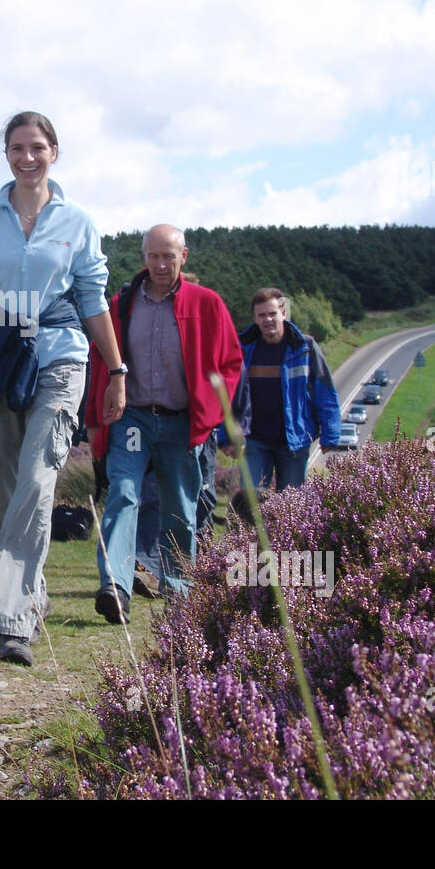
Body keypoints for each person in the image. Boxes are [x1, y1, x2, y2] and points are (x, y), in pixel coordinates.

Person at [0, 111, 126, 666]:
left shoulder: (78, 221)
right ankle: (32, 593)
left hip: (60, 358)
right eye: (16, 147)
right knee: (3, 491)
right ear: (5, 153)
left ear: (54, 151)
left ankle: (12, 624)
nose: (26, 157)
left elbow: (93, 300)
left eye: (37, 146)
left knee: (38, 480)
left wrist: (118, 370)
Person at [87, 225, 243, 621]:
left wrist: (206, 415)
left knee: (179, 509)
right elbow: (99, 361)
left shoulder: (207, 304)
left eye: (168, 256)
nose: (160, 264)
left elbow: (229, 363)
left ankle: (179, 594)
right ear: (143, 257)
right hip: (133, 420)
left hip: (180, 424)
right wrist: (95, 418)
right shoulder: (121, 306)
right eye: (153, 256)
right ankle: (116, 587)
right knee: (123, 494)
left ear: (184, 256)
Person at [219, 287, 339, 490]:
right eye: (262, 315)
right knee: (249, 501)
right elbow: (227, 397)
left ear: (283, 313)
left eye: (273, 313)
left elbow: (325, 392)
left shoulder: (305, 347)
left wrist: (331, 434)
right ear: (255, 318)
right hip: (254, 440)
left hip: (294, 441)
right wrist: (225, 436)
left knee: (291, 505)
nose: (268, 320)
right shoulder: (241, 349)